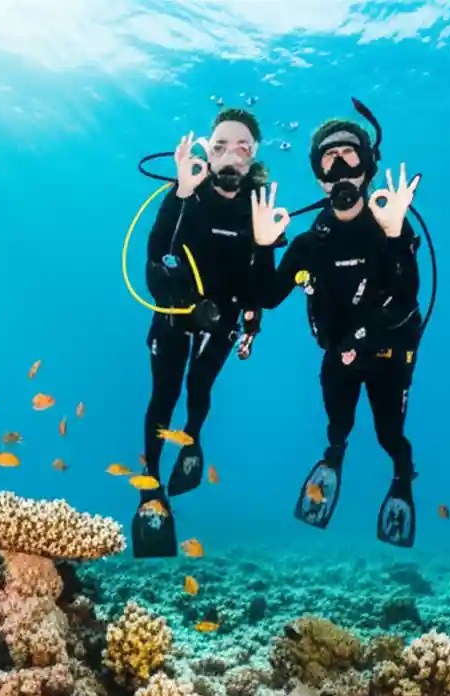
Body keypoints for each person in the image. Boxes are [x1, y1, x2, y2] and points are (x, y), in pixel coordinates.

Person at [250, 112, 425, 548]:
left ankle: (402, 478)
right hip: (337, 359)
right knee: (338, 426)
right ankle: (333, 457)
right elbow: (268, 296)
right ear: (318, 177)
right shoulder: (310, 244)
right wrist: (263, 245)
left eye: (350, 155)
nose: (342, 167)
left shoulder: (390, 225)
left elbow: (406, 298)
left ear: (368, 167)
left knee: (390, 435)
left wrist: (396, 236)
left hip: (388, 357)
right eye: (330, 160)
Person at [132, 108, 280, 558]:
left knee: (200, 384)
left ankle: (192, 438)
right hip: (176, 314)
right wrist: (180, 192)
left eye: (242, 148)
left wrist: (265, 242)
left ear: (253, 158)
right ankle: (150, 487)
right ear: (207, 152)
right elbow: (155, 261)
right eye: (220, 146)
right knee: (164, 393)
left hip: (224, 318)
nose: (230, 156)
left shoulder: (259, 205)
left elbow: (263, 291)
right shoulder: (186, 194)